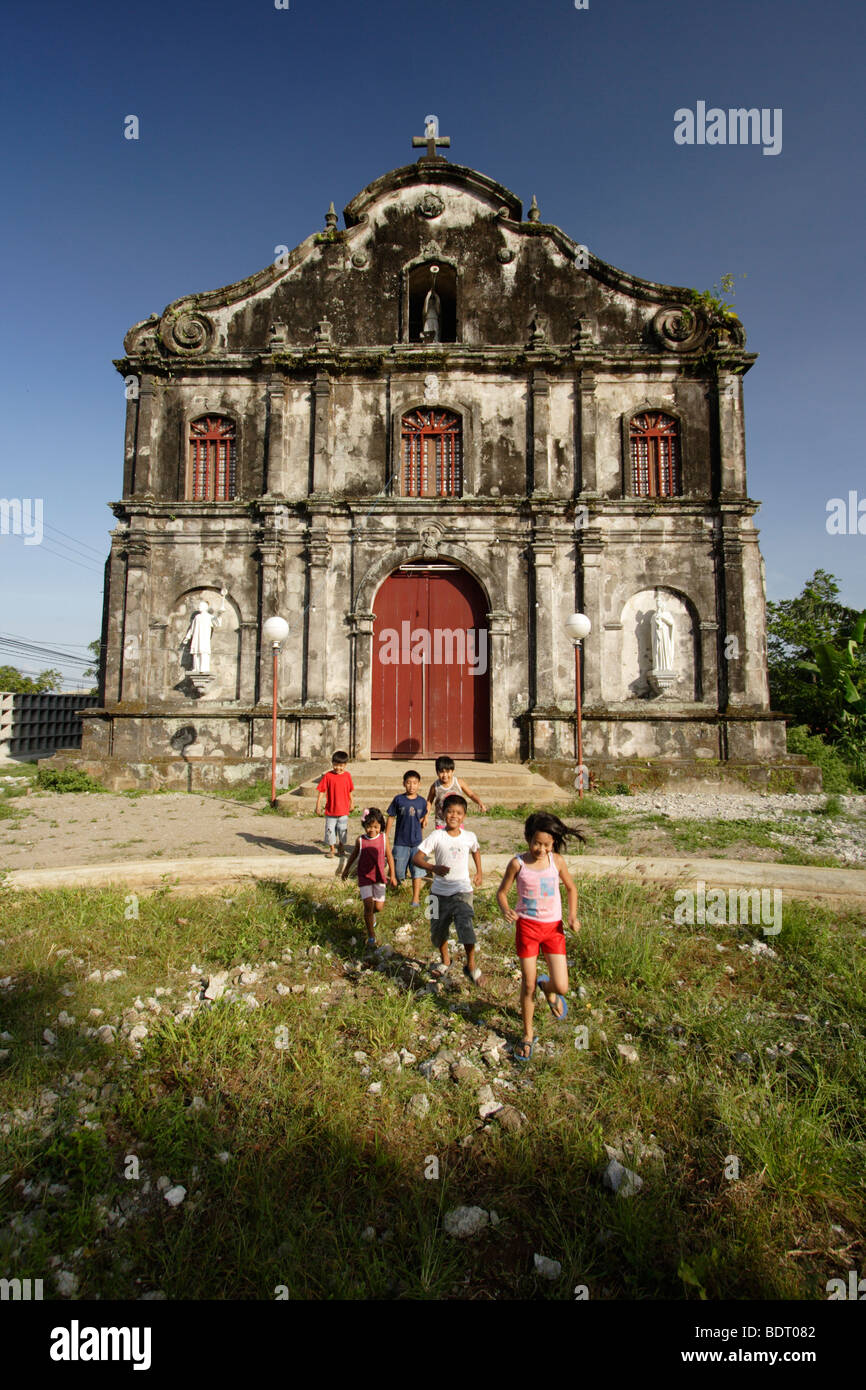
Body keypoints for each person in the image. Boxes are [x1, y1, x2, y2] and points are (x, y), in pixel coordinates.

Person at [496, 811, 584, 1062]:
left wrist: (572, 917)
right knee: (527, 983)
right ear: (528, 838)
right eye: (537, 843)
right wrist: (506, 909)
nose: (541, 849)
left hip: (553, 929)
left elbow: (571, 887)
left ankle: (549, 988)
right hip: (528, 929)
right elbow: (502, 893)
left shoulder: (557, 861)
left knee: (563, 986)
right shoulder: (518, 864)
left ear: (553, 843)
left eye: (546, 845)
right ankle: (527, 1033)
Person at [413, 794, 483, 983]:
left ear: (464, 816)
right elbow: (417, 858)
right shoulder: (437, 835)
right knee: (436, 931)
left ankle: (471, 965)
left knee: (466, 927)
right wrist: (433, 868)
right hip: (436, 893)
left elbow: (476, 850)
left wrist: (479, 873)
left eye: (458, 813)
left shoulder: (469, 837)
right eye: (450, 811)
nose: (454, 816)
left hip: (462, 890)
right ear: (443, 813)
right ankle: (445, 960)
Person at [341, 807, 397, 948]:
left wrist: (393, 875)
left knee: (378, 907)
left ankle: (372, 916)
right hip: (364, 877)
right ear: (364, 826)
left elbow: (389, 856)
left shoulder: (384, 839)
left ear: (380, 826)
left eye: (375, 827)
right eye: (369, 826)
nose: (372, 830)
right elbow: (353, 855)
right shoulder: (360, 840)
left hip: (379, 877)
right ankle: (371, 935)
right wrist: (346, 870)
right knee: (367, 905)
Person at [385, 770, 428, 907]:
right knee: (397, 870)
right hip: (401, 841)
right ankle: (395, 893)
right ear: (404, 784)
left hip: (416, 843)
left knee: (417, 871)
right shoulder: (398, 799)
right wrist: (386, 834)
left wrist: (421, 838)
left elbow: (422, 819)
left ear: (419, 785)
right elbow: (391, 816)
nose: (411, 786)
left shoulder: (422, 802)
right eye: (408, 783)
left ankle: (415, 899)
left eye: (414, 783)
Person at [426, 755, 487, 829]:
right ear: (437, 772)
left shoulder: (459, 782)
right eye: (442, 772)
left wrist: (479, 802)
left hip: (457, 821)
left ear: (453, 771)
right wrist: (426, 816)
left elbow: (471, 794)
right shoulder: (435, 786)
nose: (445, 775)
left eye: (448, 772)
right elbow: (429, 801)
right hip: (441, 822)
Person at [315, 750, 354, 857]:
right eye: (335, 765)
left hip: (343, 810)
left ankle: (341, 846)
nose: (338, 768)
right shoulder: (328, 776)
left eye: (341, 765)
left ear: (345, 765)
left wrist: (352, 803)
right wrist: (318, 805)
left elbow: (350, 791)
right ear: (332, 763)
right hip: (331, 811)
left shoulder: (347, 776)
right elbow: (322, 791)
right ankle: (332, 849)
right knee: (330, 830)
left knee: (342, 830)